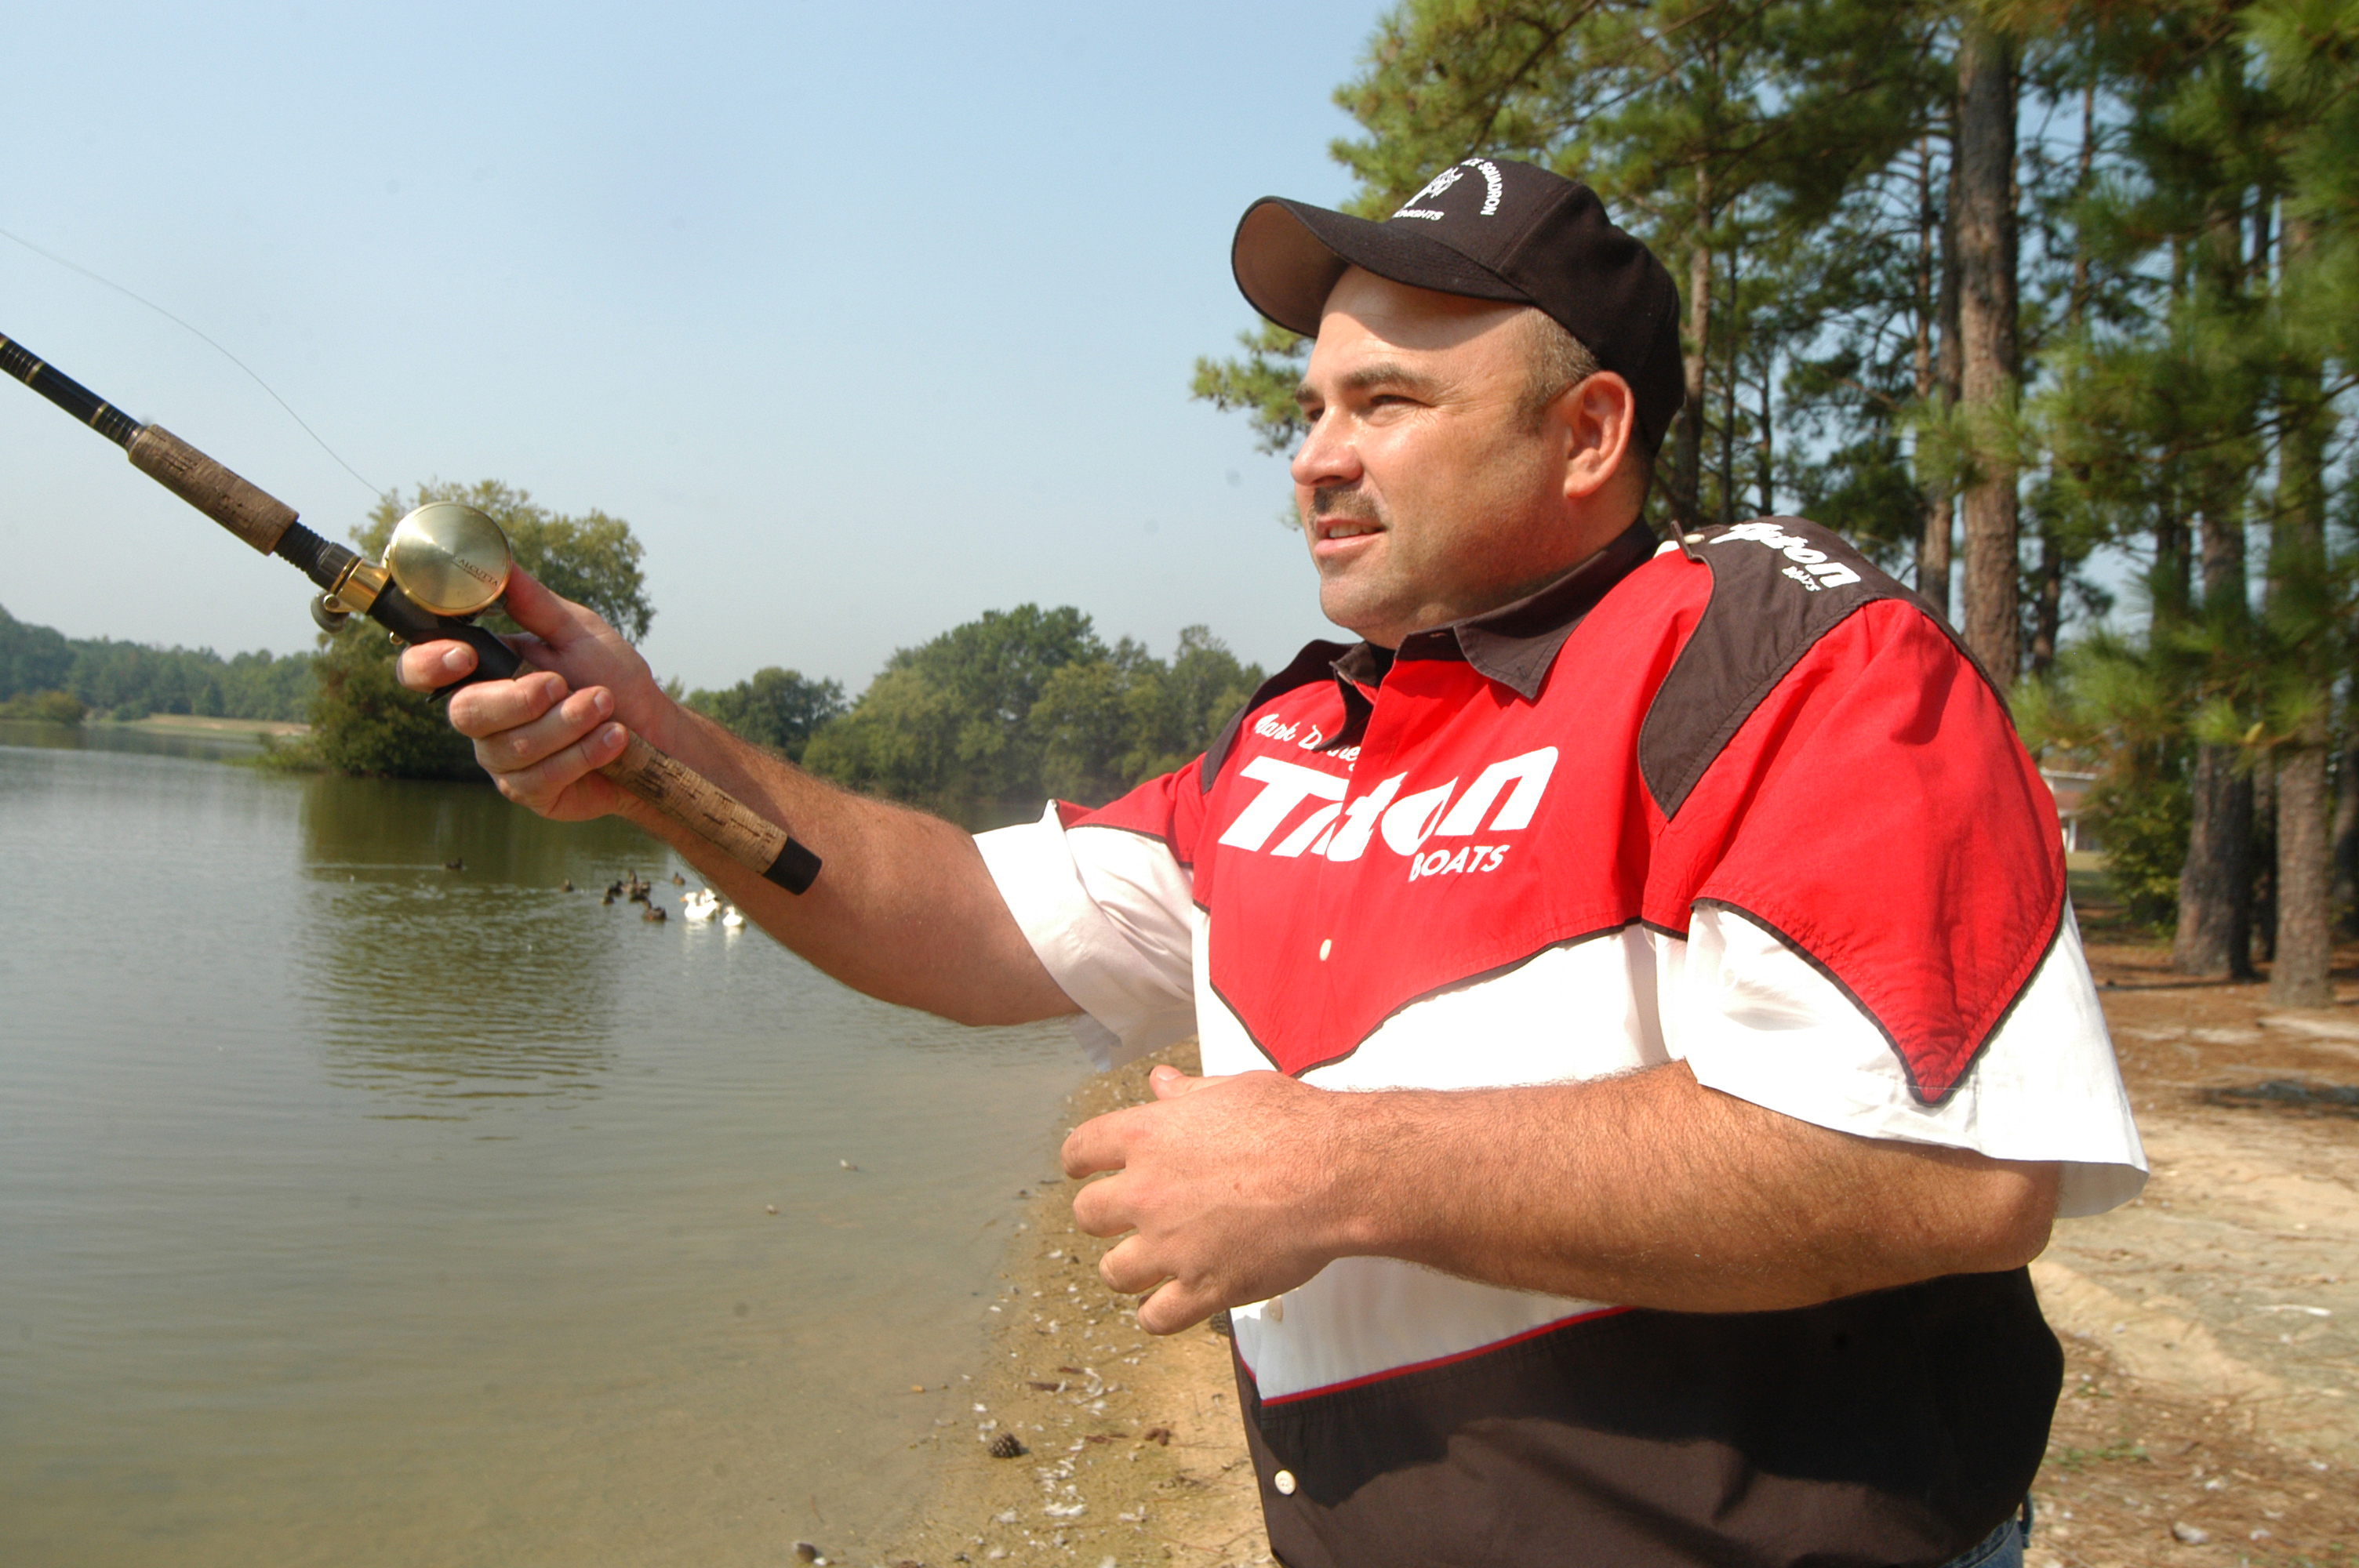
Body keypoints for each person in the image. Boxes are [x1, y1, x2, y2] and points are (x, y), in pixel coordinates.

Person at [400, 158, 2146, 1568]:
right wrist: (650, 751)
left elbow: (1943, 1173)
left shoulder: (1776, 652)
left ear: (1587, 433)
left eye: (1384, 402)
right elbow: (956, 917)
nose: (1313, 456)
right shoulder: (1304, 736)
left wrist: (1336, 1168)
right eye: (1308, 406)